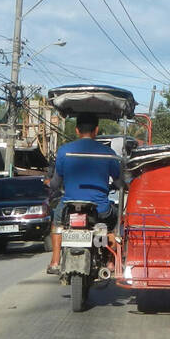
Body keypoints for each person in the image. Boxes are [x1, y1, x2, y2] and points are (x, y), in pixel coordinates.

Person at [46, 113, 120, 274]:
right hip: (100, 209)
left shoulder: (64, 151)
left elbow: (56, 183)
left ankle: (55, 261)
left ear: (77, 130)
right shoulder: (108, 153)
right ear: (97, 130)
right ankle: (110, 261)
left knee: (57, 223)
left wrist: (49, 184)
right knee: (115, 223)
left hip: (68, 207)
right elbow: (119, 180)